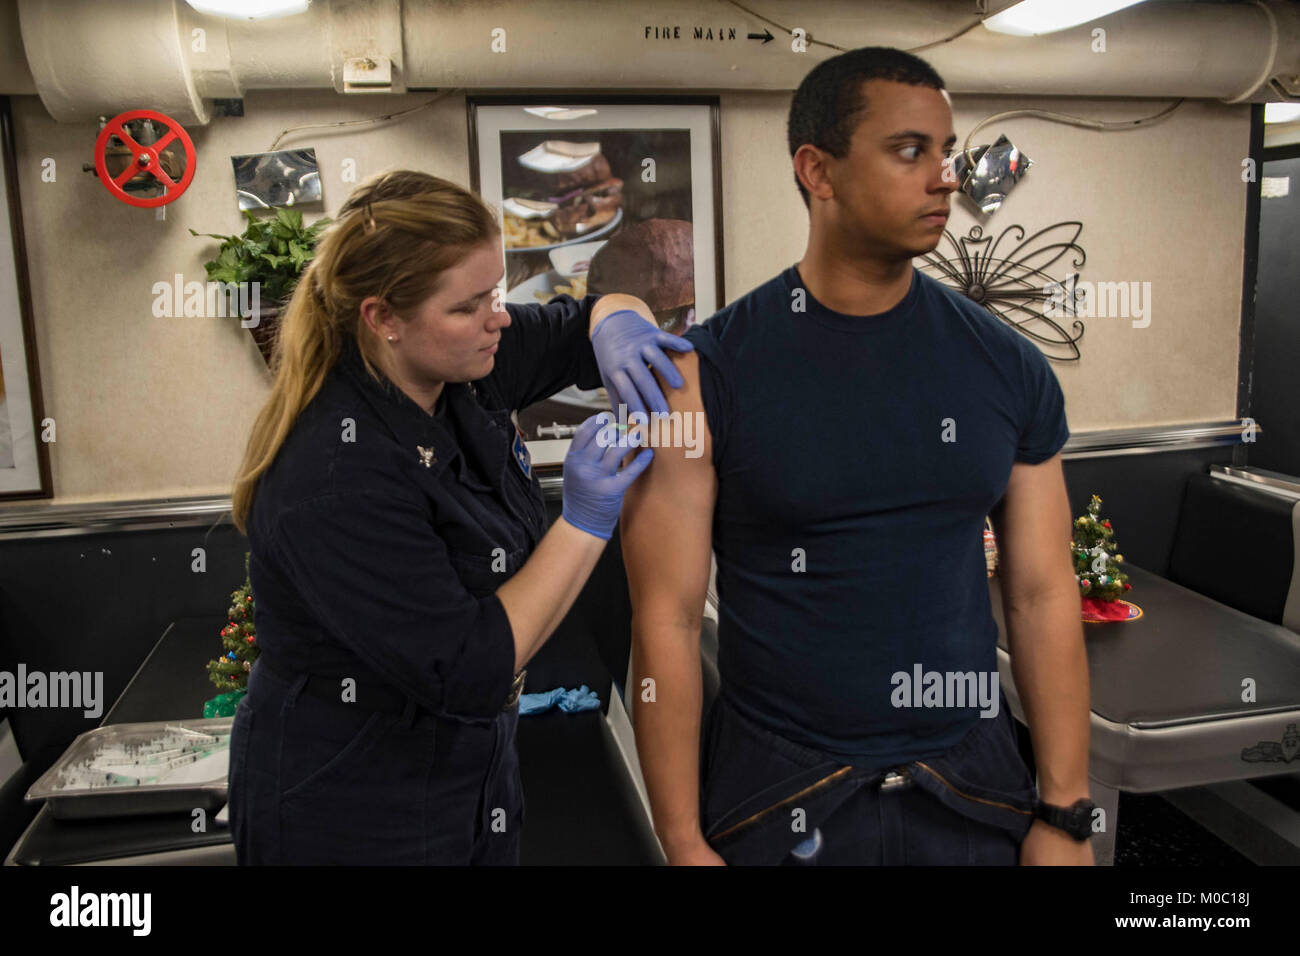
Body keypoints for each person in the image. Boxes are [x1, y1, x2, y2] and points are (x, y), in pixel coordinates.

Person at [621, 47, 1095, 865]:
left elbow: (1044, 591)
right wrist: (681, 840)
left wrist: (1065, 813)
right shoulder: (703, 375)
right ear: (819, 171)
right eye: (910, 151)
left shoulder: (1007, 366)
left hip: (973, 788)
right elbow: (663, 620)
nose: (944, 177)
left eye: (947, 152)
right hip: (783, 792)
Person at [226, 169, 691, 865]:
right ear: (383, 318)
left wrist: (621, 318)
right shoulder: (333, 474)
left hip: (470, 773)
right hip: (350, 799)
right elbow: (471, 669)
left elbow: (583, 321)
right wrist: (586, 518)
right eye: (469, 305)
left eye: (496, 293)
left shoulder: (462, 365)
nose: (497, 319)